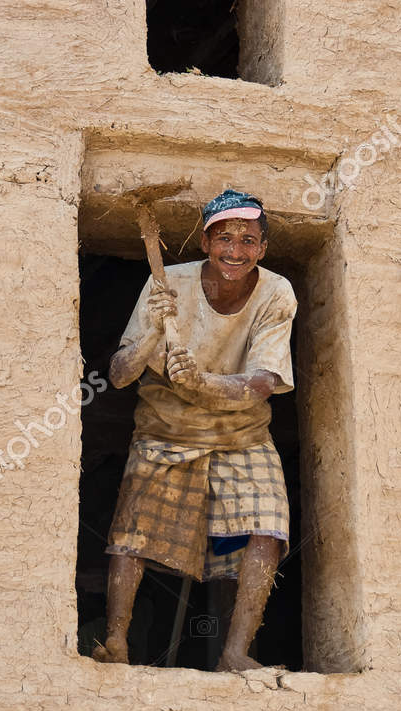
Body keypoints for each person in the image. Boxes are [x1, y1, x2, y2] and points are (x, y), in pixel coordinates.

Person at [96, 190, 297, 672]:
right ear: (206, 241)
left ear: (263, 248)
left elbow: (264, 382)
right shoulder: (167, 284)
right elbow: (121, 374)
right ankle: (117, 643)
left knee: (266, 531)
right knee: (133, 535)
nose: (235, 250)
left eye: (248, 240)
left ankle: (234, 653)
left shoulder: (276, 292)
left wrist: (202, 380)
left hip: (240, 432)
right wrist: (152, 332)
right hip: (167, 428)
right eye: (224, 237)